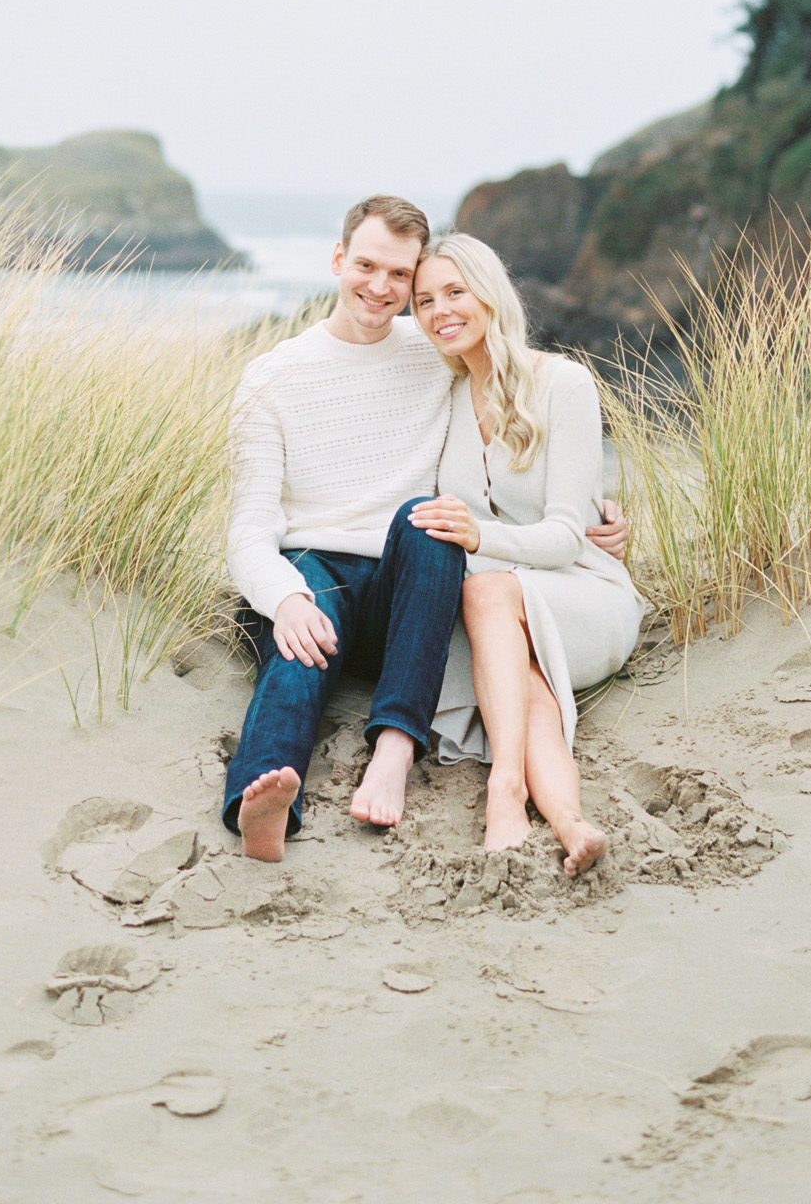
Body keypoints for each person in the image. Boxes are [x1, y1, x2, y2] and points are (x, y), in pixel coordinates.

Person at [222, 194, 628, 864]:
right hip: (310, 571)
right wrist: (285, 596)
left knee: (424, 519)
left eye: (400, 276)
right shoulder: (270, 379)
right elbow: (247, 532)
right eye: (367, 266)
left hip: (402, 589)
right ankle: (260, 808)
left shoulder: (435, 349)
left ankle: (395, 747)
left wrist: (599, 514)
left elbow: (516, 422)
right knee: (297, 656)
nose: (381, 288)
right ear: (337, 260)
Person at [407, 232, 644, 876]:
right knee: (526, 684)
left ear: (490, 294)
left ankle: (504, 789)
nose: (439, 311)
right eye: (423, 300)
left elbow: (570, 536)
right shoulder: (444, 399)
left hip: (584, 596)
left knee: (487, 592)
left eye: (455, 292)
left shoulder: (563, 383)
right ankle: (571, 824)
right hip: (502, 615)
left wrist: (482, 538)